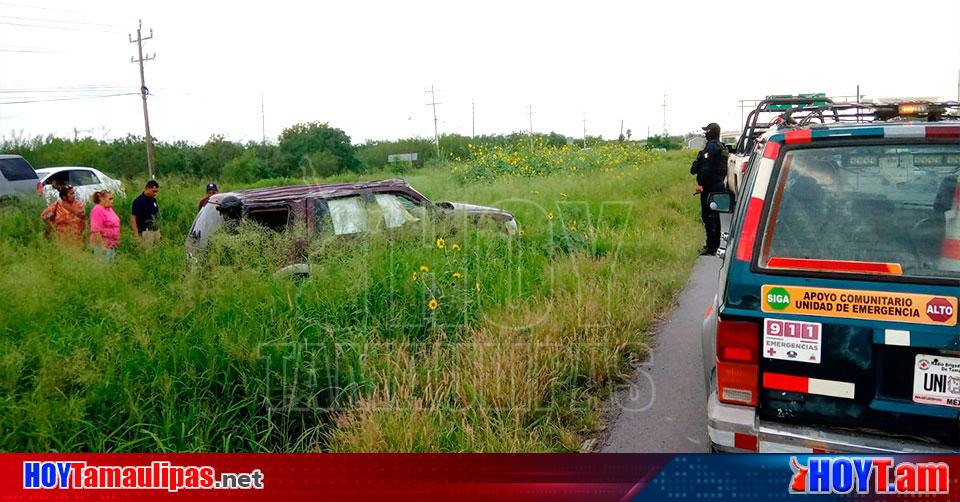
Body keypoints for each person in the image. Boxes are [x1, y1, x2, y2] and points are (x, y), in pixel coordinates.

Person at [689, 122, 727, 256]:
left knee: (709, 216)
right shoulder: (722, 147)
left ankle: (711, 247)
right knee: (715, 216)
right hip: (719, 185)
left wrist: (700, 183)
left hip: (710, 187)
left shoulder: (711, 147)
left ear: (712, 132)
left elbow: (706, 168)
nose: (705, 134)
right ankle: (715, 245)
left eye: (707, 131)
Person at [90, 190, 121, 262]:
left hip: (112, 244)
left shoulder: (109, 208)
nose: (112, 201)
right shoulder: (97, 209)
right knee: (104, 266)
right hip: (102, 245)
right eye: (110, 199)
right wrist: (102, 246)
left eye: (112, 199)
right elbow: (95, 230)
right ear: (102, 199)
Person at [131, 179, 160, 247]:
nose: (155, 193)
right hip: (145, 231)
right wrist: (136, 235)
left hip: (155, 229)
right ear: (147, 188)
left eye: (156, 191)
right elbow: (133, 219)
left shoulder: (153, 200)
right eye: (153, 191)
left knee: (157, 250)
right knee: (148, 252)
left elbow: (156, 214)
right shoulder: (138, 201)